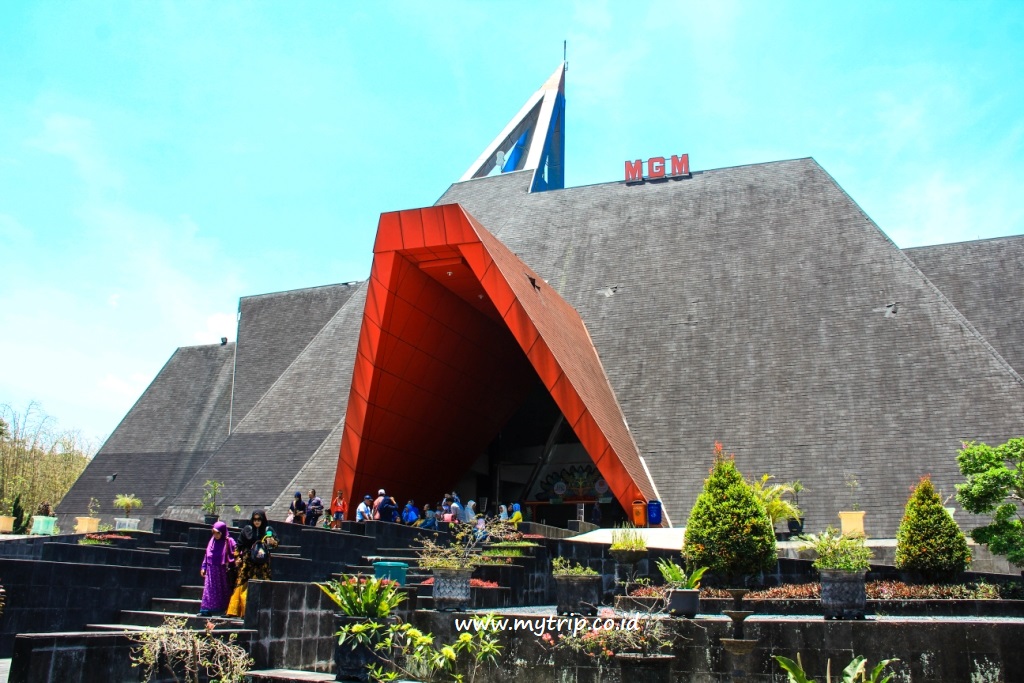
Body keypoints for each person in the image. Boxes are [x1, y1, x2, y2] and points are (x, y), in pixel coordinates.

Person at [226, 510, 278, 617]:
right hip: (248, 563)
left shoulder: (268, 530)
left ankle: (262, 611)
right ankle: (236, 611)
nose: (257, 522)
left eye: (259, 519)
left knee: (264, 584)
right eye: (255, 519)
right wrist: (237, 557)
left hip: (262, 563)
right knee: (241, 584)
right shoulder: (247, 530)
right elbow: (238, 545)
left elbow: (276, 543)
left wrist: (272, 541)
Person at [198, 521, 236, 617]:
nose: (216, 535)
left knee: (224, 590)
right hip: (211, 570)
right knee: (208, 590)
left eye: (218, 533)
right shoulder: (212, 542)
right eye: (214, 532)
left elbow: (236, 551)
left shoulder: (229, 541)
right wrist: (204, 567)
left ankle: (225, 610)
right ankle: (205, 610)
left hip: (222, 571)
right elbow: (207, 555)